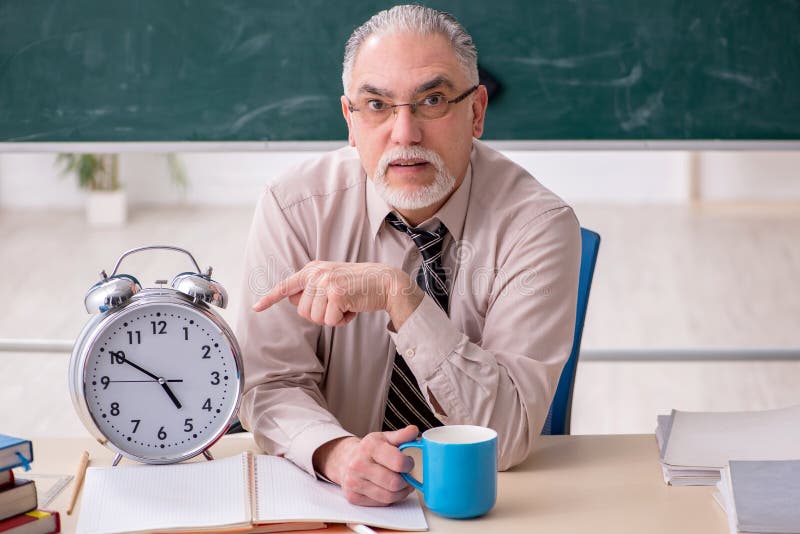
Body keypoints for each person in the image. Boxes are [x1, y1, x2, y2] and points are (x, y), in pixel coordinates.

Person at [236, 5, 581, 507]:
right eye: (376, 105)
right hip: (333, 499)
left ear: (477, 111)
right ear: (349, 121)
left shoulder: (536, 224)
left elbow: (504, 437)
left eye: (433, 100)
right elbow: (270, 383)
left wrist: (402, 297)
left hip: (492, 502)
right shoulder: (293, 207)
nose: (404, 134)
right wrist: (336, 453)